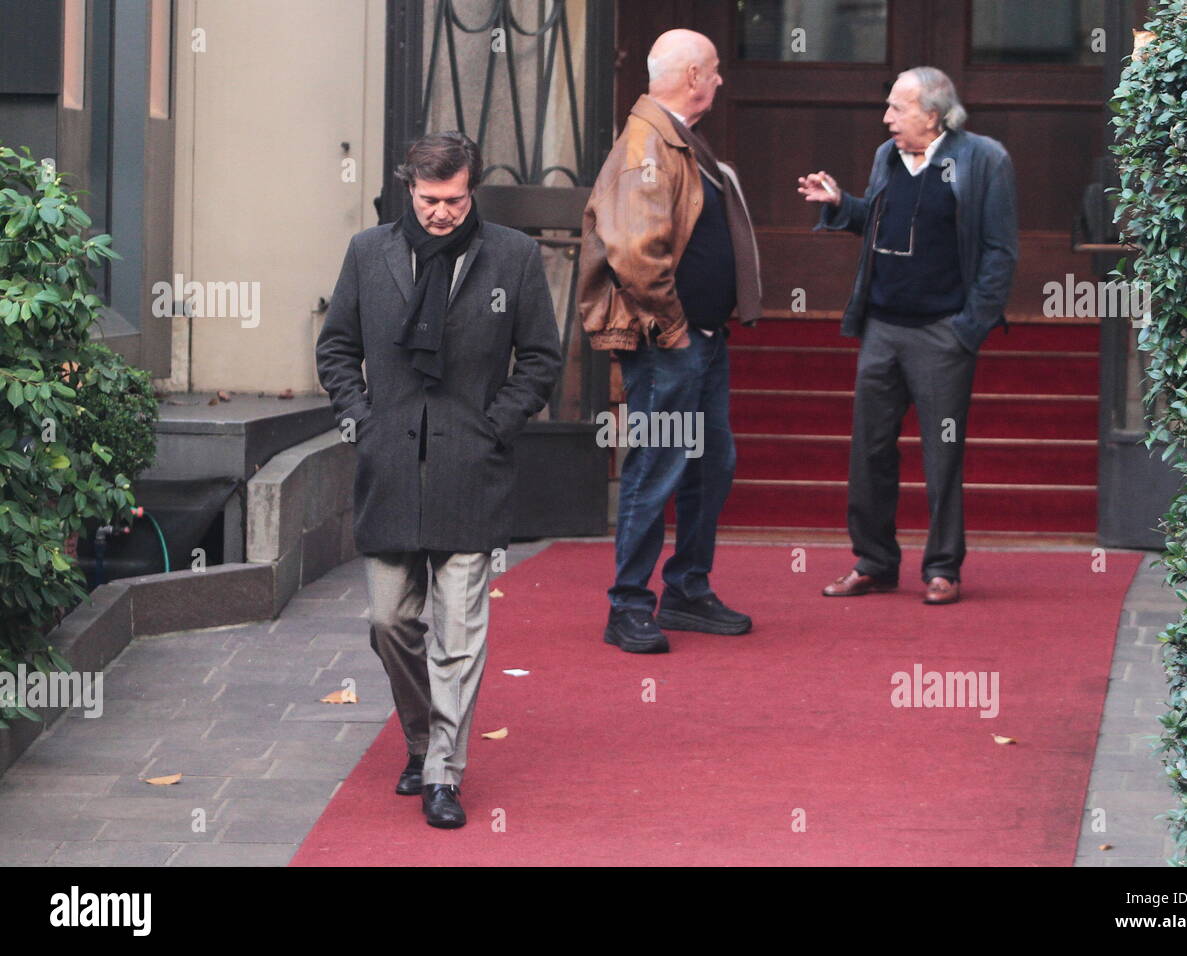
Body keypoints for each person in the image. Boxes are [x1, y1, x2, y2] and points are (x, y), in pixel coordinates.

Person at [315, 132, 561, 828]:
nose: (442, 212)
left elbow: (541, 356)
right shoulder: (369, 253)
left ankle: (442, 773)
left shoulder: (512, 255)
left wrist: (496, 424)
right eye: (429, 200)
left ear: (471, 189)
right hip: (390, 466)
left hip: (471, 467)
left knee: (459, 632)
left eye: (454, 199)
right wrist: (362, 419)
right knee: (389, 622)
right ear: (409, 191)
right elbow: (336, 347)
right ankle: (423, 738)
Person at [797, 66, 1017, 606]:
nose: (887, 118)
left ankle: (942, 567)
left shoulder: (983, 159)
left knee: (942, 454)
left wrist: (969, 328)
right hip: (883, 328)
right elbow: (880, 220)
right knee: (869, 452)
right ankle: (874, 562)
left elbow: (1000, 252)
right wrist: (841, 206)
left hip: (943, 333)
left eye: (898, 108)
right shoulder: (885, 156)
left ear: (933, 114)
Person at [578, 28, 762, 654]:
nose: (718, 80)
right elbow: (634, 252)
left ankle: (687, 590)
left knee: (711, 463)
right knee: (656, 468)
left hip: (699, 341)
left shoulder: (677, 137)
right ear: (691, 76)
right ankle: (628, 605)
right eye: (712, 71)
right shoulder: (646, 143)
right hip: (667, 344)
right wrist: (676, 329)